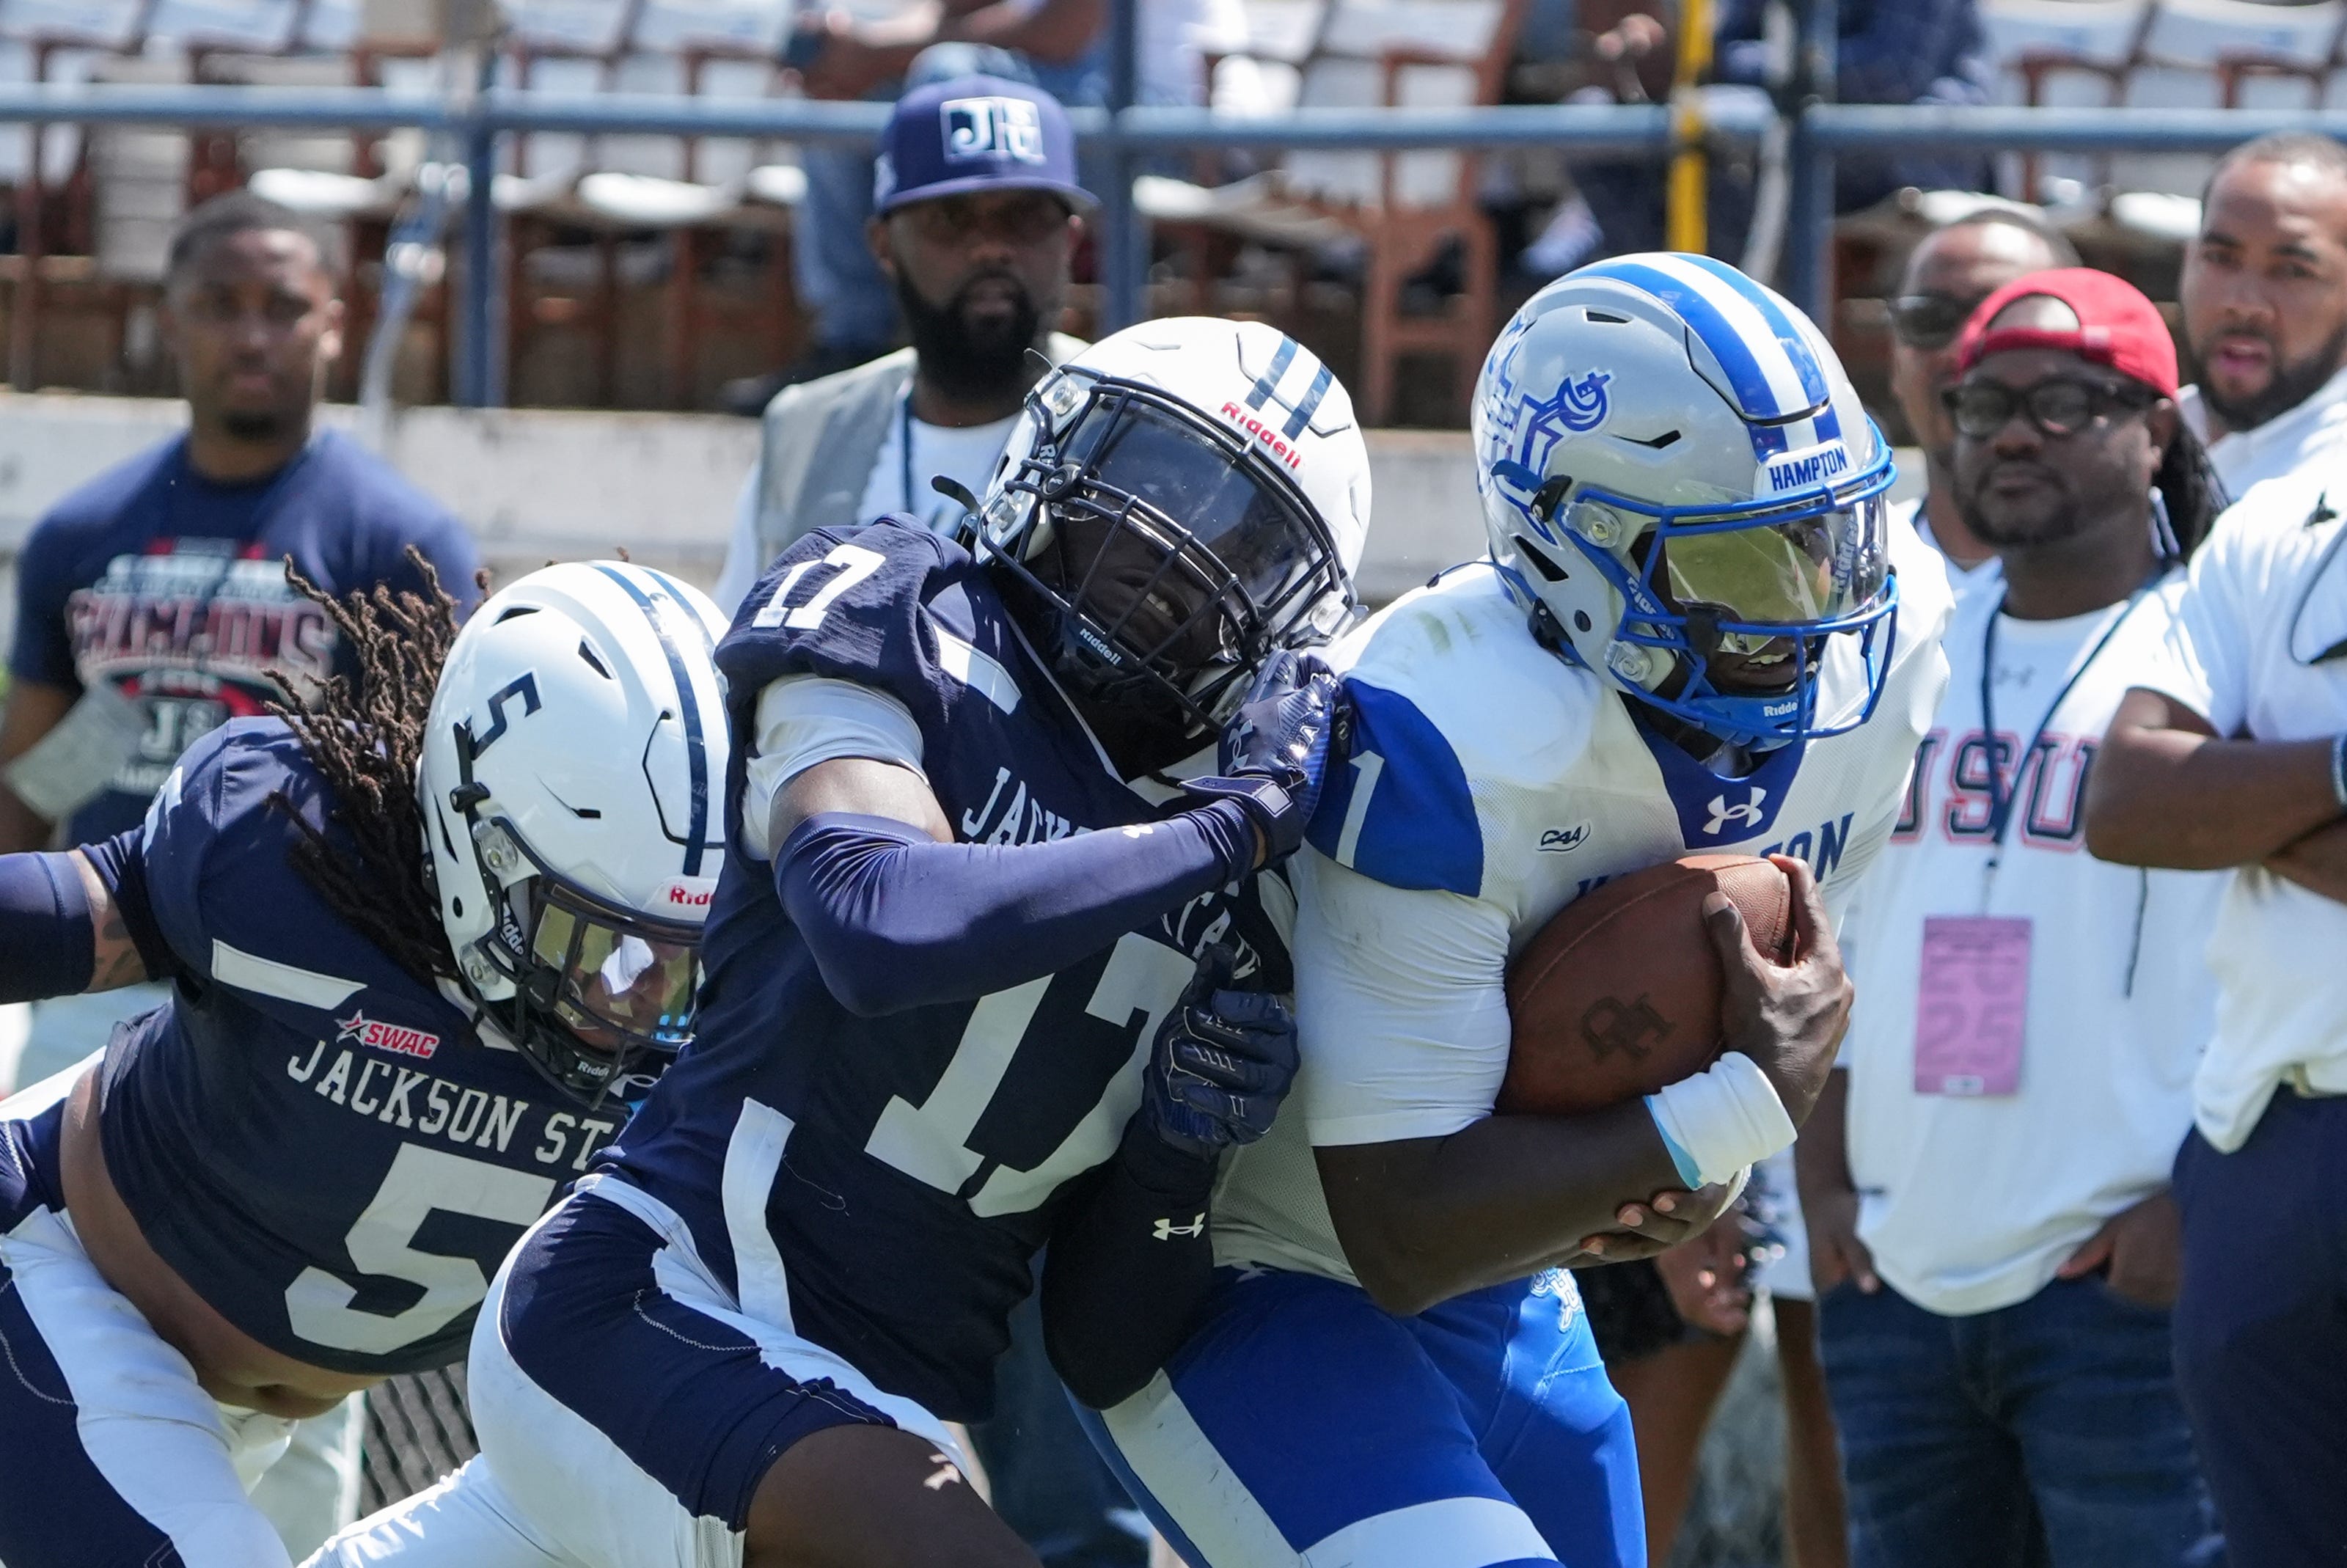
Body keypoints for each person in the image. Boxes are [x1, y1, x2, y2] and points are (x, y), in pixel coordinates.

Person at [302, 317, 1370, 1568]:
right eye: (1156, 474)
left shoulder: (1253, 877)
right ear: (1060, 443)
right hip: (658, 1307)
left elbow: (1098, 1348)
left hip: (870, 1418)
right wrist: (1226, 827)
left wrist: (1176, 1160)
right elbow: (874, 917)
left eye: (1240, 537)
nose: (1171, 545)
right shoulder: (909, 610)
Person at [1077, 253, 1955, 1568]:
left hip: (1505, 1273)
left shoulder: (1890, 663)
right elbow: (1403, 1224)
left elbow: (1726, 1027)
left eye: (1825, 543)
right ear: (1574, 549)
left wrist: (1682, 1163)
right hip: (1257, 1264)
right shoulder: (1442, 728)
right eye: (1749, 565)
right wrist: (1721, 1117)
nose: (1814, 614)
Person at [0, 557, 732, 1568]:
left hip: (256, 1422)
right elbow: (67, 913)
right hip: (60, 1277)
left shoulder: (726, 982)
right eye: (592, 935)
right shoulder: (290, 854)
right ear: (479, 845)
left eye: (687, 951)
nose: (636, 992)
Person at [0, 189, 478, 1556]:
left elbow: (448, 820)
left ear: (334, 319)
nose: (252, 334)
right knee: (55, 1306)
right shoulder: (83, 529)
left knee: (287, 1346)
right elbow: (28, 769)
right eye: (222, 303)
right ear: (173, 320)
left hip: (301, 1006)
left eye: (284, 304)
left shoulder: (404, 539)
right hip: (94, 963)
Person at [1801, 269, 2227, 1568]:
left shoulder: (2216, 646)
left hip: (2118, 1287)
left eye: (2062, 401)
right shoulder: (1904, 645)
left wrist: (2193, 1209)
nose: (2013, 431)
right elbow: (1829, 919)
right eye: (1983, 402)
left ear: (2156, 428)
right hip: (1895, 1275)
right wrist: (1815, 1178)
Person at [2085, 342, 2347, 1568]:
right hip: (2275, 1144)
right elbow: (2133, 797)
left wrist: (2247, 798)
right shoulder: (2276, 521)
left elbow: (2194, 797)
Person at [712, 71, 1091, 616]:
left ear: (1070, 243)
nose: (990, 248)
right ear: (884, 246)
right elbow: (734, 651)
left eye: (1024, 218)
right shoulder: (805, 430)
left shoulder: (1127, 421)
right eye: (950, 220)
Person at [1886, 208, 2081, 585]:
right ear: (1894, 364)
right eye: (1929, 319)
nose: (1959, 350)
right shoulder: (1842, 588)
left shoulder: (2173, 582)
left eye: (2002, 319)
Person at [2178, 131, 2347, 499]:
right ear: (2188, 261)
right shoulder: (2135, 439)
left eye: (2292, 270)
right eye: (2221, 259)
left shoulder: (2334, 485)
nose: (2243, 302)